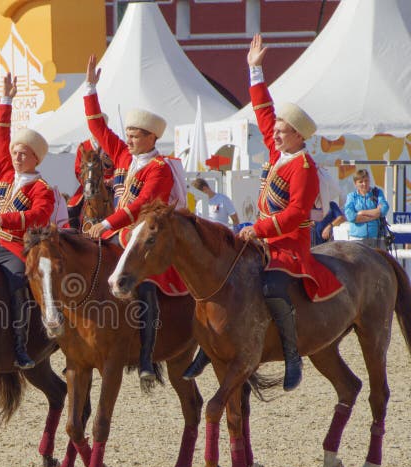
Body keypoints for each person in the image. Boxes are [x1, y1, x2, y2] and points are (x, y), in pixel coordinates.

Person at [187, 34, 343, 391]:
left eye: (282, 131)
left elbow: (297, 213)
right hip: (262, 240)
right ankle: (207, 347)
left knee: (272, 287)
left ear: (299, 136)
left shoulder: (304, 167)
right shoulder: (279, 154)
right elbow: (263, 111)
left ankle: (291, 354)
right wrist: (255, 70)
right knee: (219, 273)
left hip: (289, 245)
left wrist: (258, 229)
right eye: (277, 130)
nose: (275, 134)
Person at [83, 54, 182, 384]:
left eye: (136, 135)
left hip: (143, 236)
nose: (128, 140)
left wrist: (107, 223)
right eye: (128, 134)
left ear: (152, 137)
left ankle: (146, 357)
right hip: (117, 233)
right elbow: (97, 127)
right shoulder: (124, 156)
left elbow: (142, 205)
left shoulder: (160, 168)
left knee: (147, 287)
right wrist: (90, 89)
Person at [0, 72, 55, 369]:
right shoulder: (6, 173)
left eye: (23, 153)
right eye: (15, 152)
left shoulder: (42, 188)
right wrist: (6, 100)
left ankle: (20, 345)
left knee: (16, 285)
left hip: (16, 249)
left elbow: (38, 216)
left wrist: (5, 218)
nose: (16, 157)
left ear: (36, 158)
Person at [66, 115, 115, 220]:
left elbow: (121, 166)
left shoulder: (113, 145)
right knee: (71, 209)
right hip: (89, 184)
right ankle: (74, 229)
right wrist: (87, 182)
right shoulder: (83, 146)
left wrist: (112, 180)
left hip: (111, 185)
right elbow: (78, 170)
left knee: (125, 207)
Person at [344, 169, 390, 250]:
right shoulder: (351, 196)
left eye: (366, 180)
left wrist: (362, 212)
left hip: (377, 237)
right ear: (355, 183)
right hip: (358, 238)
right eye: (361, 182)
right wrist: (375, 214)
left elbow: (384, 209)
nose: (364, 184)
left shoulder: (377, 193)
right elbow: (350, 216)